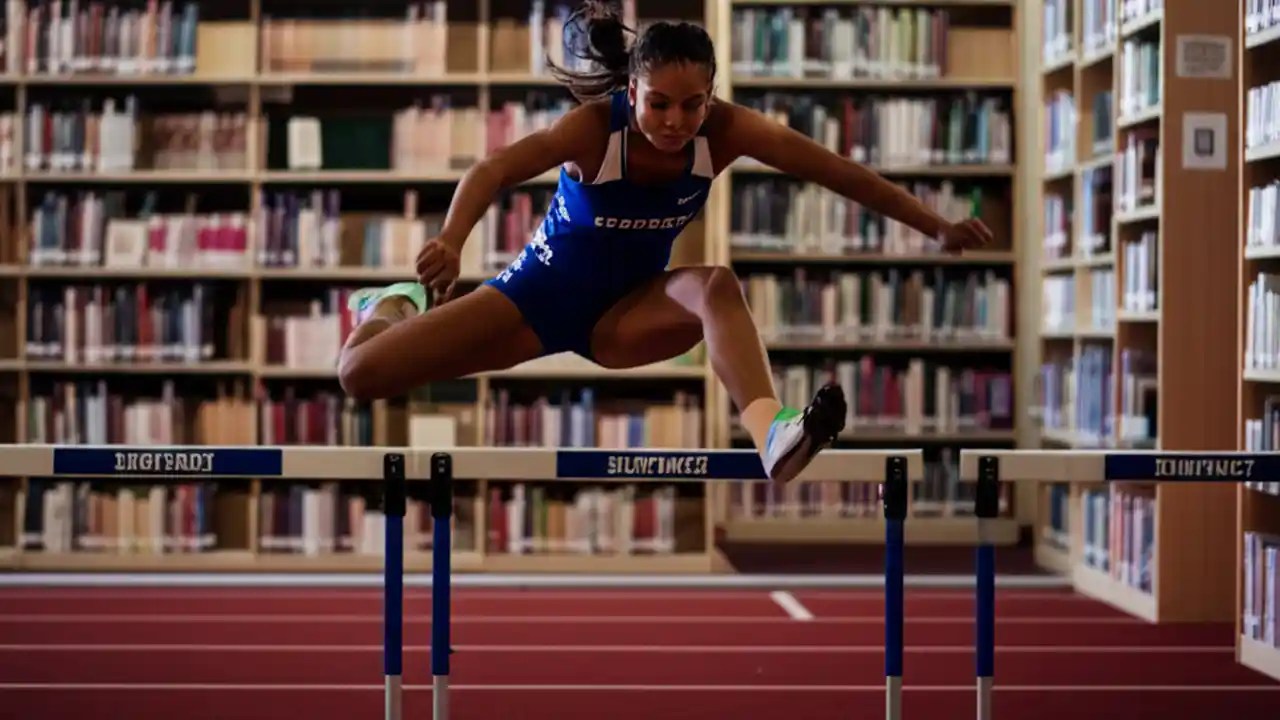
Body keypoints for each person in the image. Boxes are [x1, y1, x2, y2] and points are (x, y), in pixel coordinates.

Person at [337, 1, 992, 484]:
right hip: (533, 302)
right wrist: (453, 240)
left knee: (715, 285)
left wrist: (934, 224)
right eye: (658, 105)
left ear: (710, 99)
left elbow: (839, 172)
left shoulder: (728, 132)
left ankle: (771, 432)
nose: (675, 122)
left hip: (627, 317)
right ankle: (390, 303)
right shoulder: (594, 130)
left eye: (692, 105)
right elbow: (494, 169)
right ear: (632, 92)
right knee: (361, 375)